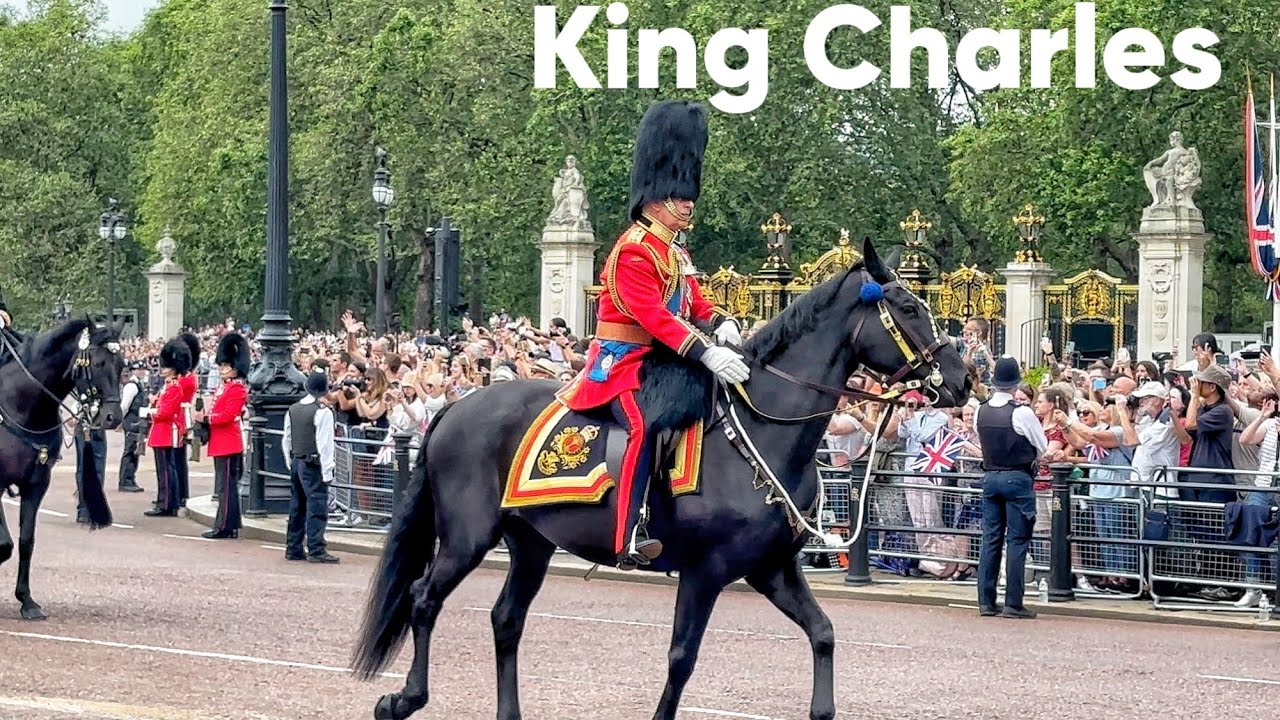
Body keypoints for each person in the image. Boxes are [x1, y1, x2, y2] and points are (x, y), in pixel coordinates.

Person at [556, 99, 747, 569]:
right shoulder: (634, 251)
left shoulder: (672, 250)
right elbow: (654, 316)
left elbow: (692, 301)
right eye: (682, 196)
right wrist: (705, 351)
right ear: (657, 196)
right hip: (622, 363)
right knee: (644, 425)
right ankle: (628, 531)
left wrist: (719, 320)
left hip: (662, 361)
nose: (689, 202)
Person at [973, 356, 1050, 619]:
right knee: (1017, 540)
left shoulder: (980, 410)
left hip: (991, 476)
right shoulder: (1021, 412)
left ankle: (985, 601)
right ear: (1016, 383)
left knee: (990, 540)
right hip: (1017, 477)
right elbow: (1042, 447)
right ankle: (1013, 602)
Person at [281, 370, 339, 564]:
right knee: (317, 506)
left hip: (297, 461)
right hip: (313, 464)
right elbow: (325, 444)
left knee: (297, 506)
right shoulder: (323, 411)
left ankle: (293, 547)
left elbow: (286, 439)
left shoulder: (293, 409)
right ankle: (316, 548)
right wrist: (327, 470)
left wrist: (291, 462)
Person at [196, 332, 250, 539]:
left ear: (234, 368)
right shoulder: (226, 387)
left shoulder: (236, 389)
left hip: (228, 442)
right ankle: (230, 523)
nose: (221, 370)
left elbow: (228, 415)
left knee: (226, 487)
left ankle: (225, 526)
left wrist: (207, 419)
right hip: (222, 442)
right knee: (226, 486)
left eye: (224, 366)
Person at [143, 338, 191, 517]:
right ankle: (168, 502)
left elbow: (165, 413)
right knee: (166, 469)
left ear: (173, 368)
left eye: (165, 367)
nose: (162, 369)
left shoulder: (173, 387)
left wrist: (149, 412)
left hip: (164, 432)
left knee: (165, 471)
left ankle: (166, 504)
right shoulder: (169, 386)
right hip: (162, 432)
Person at [117, 362, 148, 493]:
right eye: (138, 369)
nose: (141, 371)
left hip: (137, 421)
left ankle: (130, 478)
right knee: (130, 451)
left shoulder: (139, 385)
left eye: (142, 369)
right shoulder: (132, 386)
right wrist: (120, 421)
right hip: (131, 421)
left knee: (134, 451)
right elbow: (124, 406)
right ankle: (125, 480)